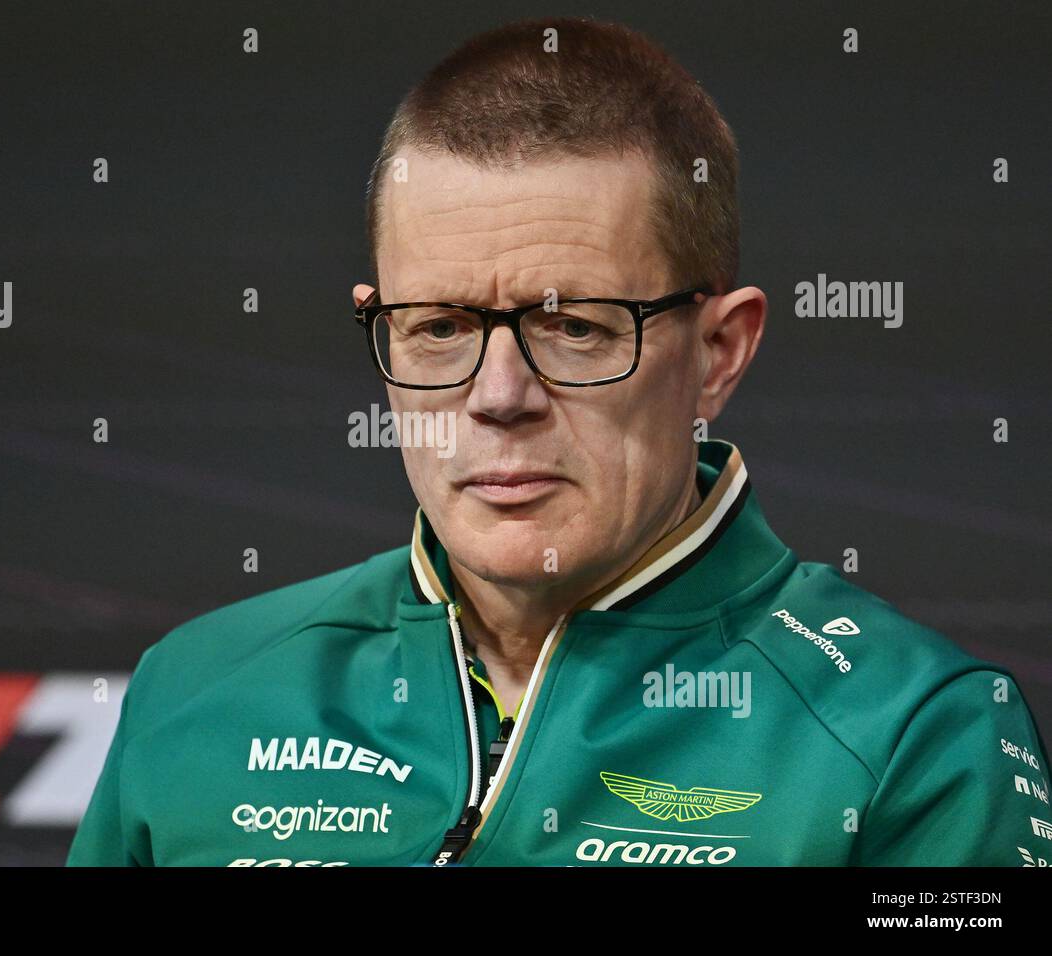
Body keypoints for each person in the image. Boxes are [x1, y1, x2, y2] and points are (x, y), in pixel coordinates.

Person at [68, 16, 1051, 866]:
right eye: (440, 325)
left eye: (575, 326)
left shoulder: (917, 735)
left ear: (718, 352)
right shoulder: (193, 689)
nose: (499, 396)